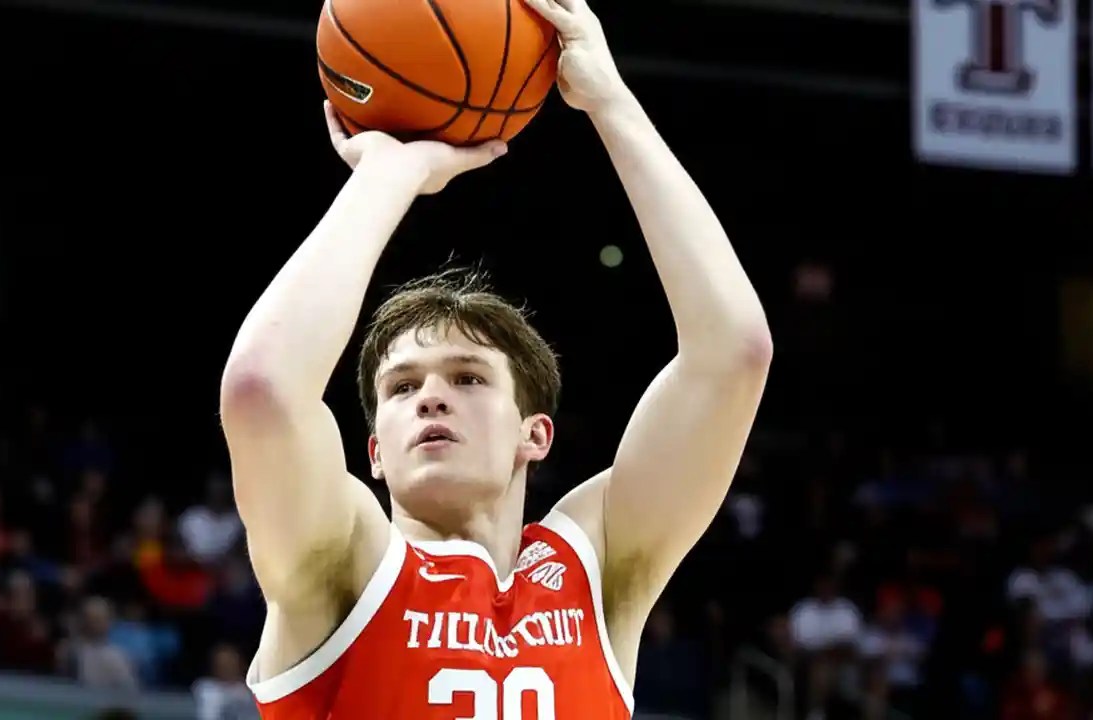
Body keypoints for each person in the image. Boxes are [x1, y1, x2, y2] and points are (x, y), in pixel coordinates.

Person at [218, 0, 772, 716]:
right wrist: (387, 175)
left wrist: (610, 101)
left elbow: (734, 352)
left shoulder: (596, 569)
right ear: (375, 450)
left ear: (533, 433)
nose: (430, 397)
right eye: (401, 386)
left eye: (468, 377)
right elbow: (263, 391)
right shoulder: (345, 564)